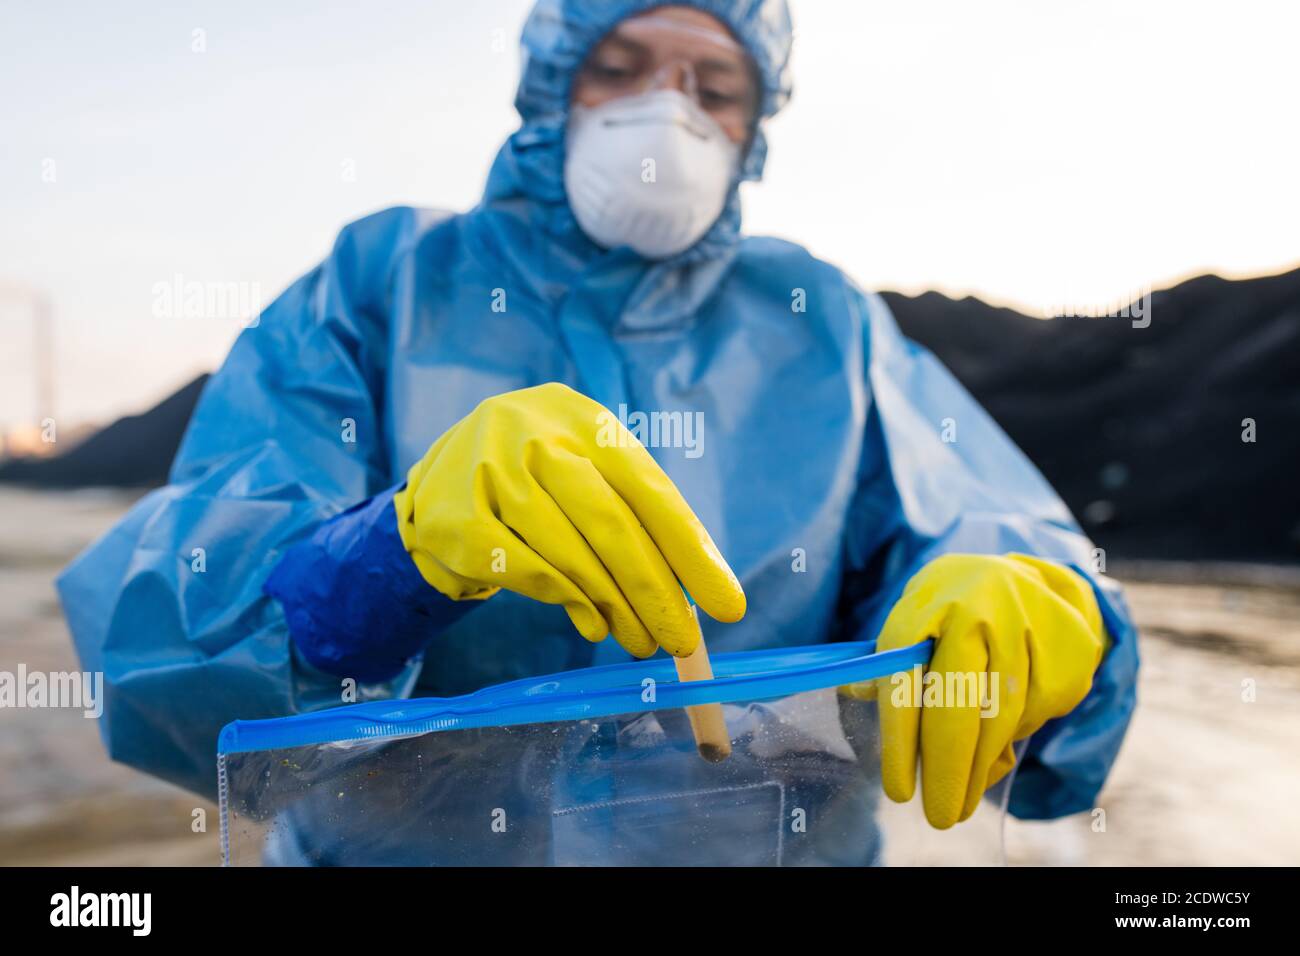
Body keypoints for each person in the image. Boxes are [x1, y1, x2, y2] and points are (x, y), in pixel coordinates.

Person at [60, 0, 1138, 840]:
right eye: (619, 71)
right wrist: (391, 553)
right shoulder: (381, 282)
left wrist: (1045, 612)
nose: (664, 112)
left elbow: (974, 522)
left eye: (713, 84)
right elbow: (162, 650)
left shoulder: (825, 325)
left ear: (752, 126)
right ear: (549, 87)